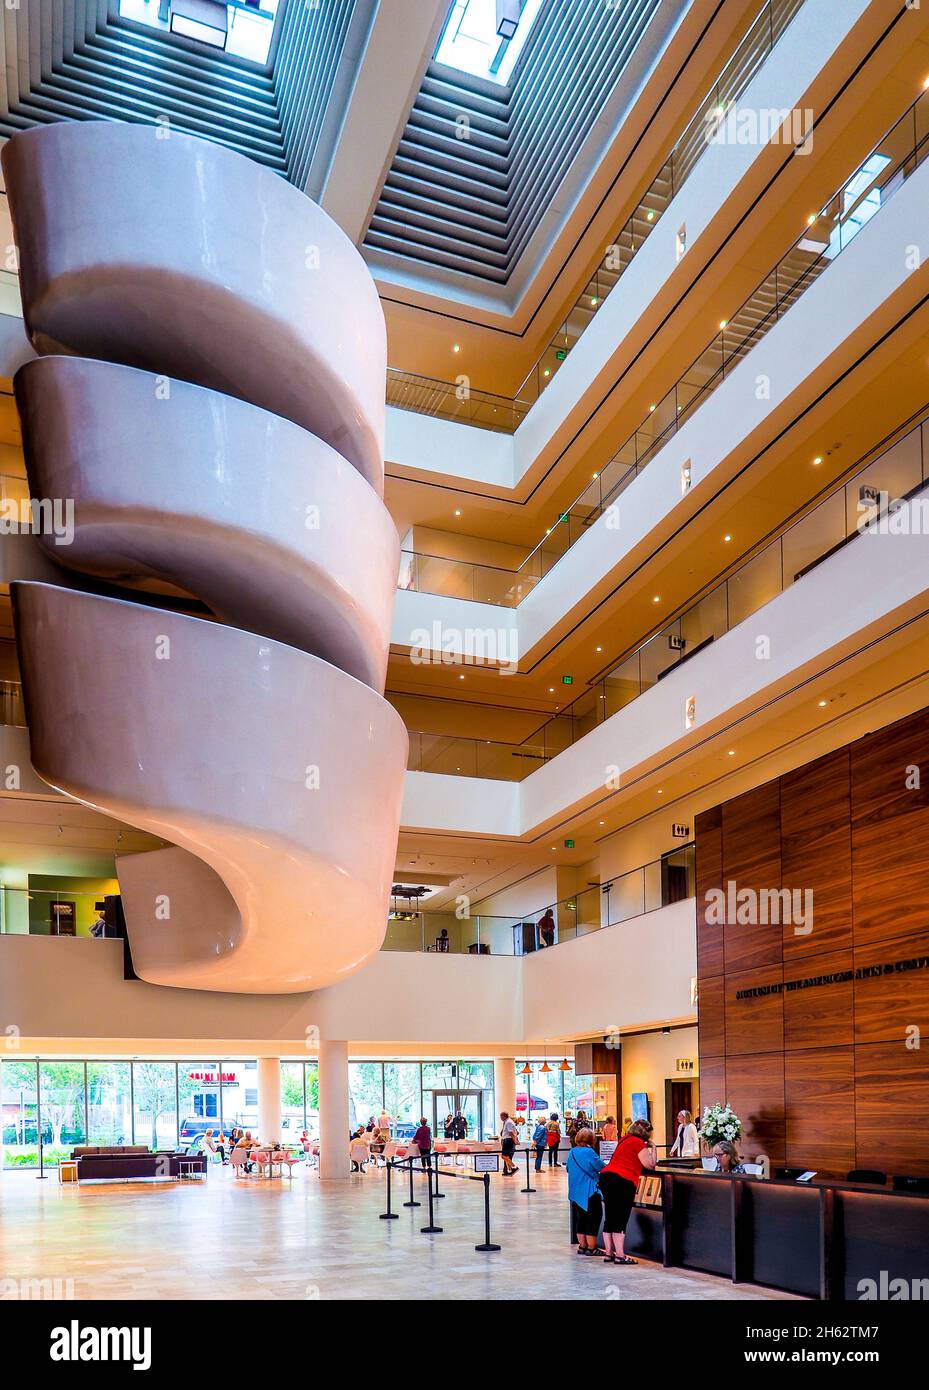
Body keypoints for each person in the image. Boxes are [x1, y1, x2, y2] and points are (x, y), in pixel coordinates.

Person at [597, 1119, 657, 1264]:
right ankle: (620, 1255)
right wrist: (653, 1147)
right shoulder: (638, 1143)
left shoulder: (624, 1139)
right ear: (646, 1133)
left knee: (610, 1217)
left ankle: (609, 1253)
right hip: (622, 1181)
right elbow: (651, 1165)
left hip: (606, 1177)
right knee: (621, 1218)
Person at [567, 1129, 605, 1255]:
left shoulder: (572, 1152)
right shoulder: (589, 1152)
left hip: (575, 1191)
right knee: (593, 1219)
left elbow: (568, 1168)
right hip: (589, 1190)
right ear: (591, 1139)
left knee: (581, 1219)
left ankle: (582, 1246)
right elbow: (601, 1167)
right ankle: (591, 1248)